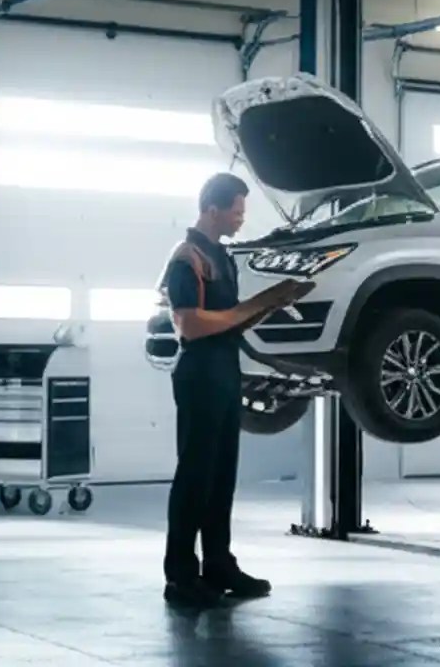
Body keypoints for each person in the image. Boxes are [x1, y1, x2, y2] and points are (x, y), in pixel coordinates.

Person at [159, 172, 298, 609]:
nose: (241, 218)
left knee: (221, 478)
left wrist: (270, 303)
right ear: (212, 209)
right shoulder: (187, 258)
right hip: (199, 373)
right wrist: (249, 308)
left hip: (224, 370)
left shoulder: (223, 257)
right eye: (236, 211)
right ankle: (181, 576)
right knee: (195, 476)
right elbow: (189, 323)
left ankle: (218, 565)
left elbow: (230, 321)